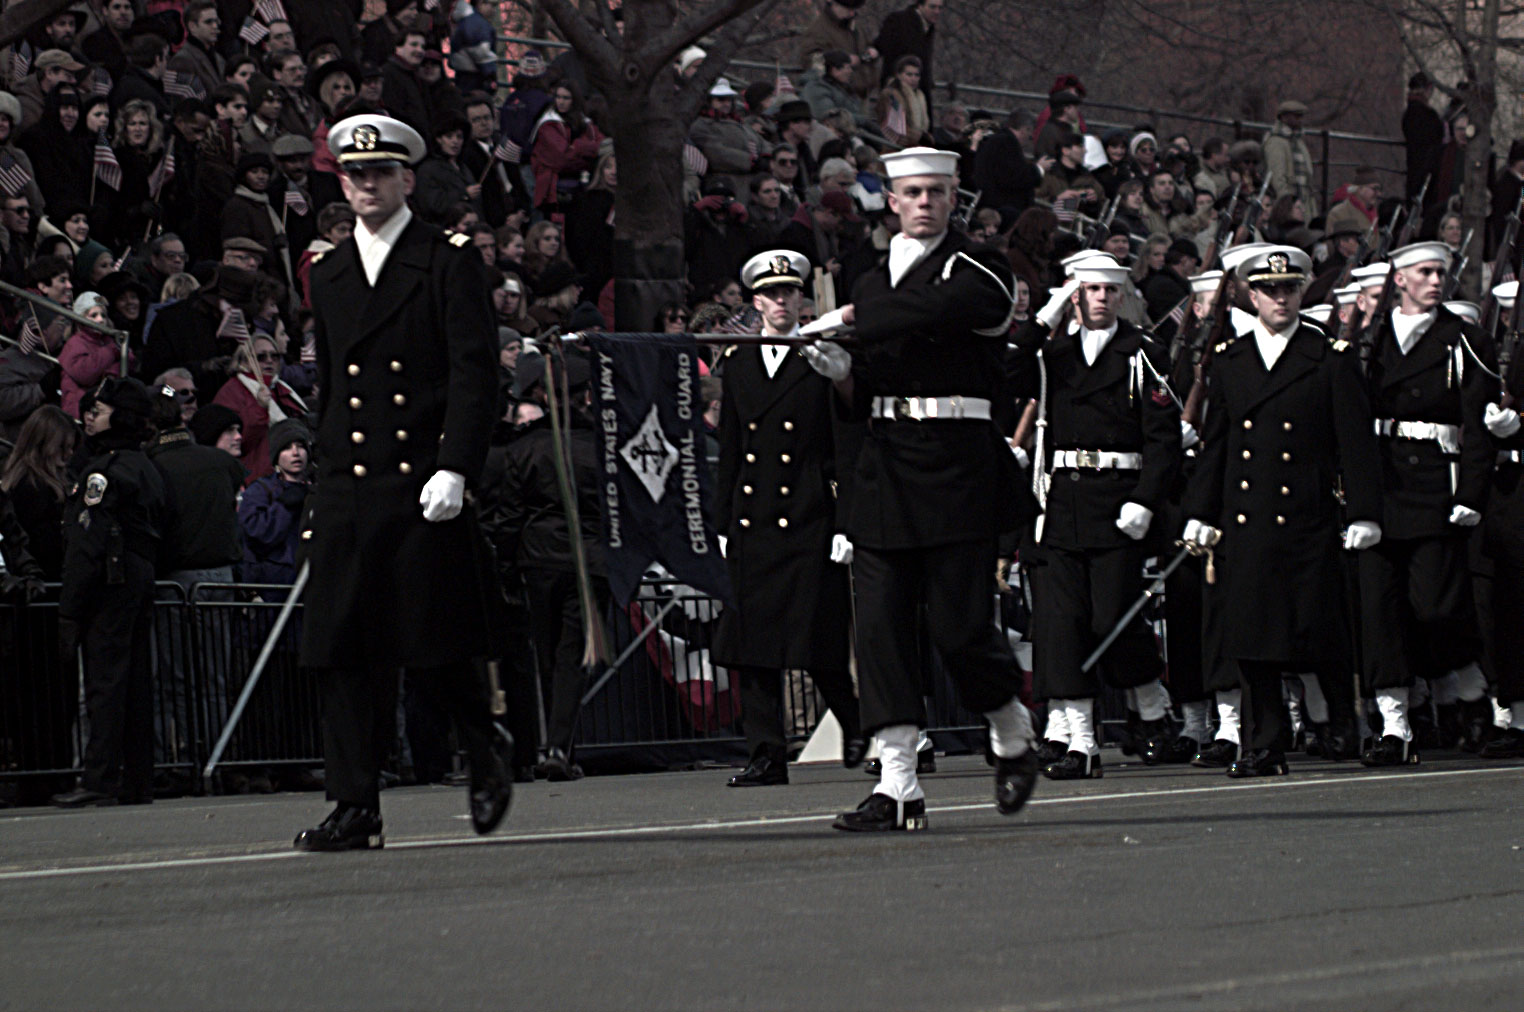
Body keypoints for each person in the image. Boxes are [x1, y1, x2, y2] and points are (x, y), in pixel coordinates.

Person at [799, 147, 1038, 831]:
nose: (926, 202)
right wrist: (841, 368)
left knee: (960, 629)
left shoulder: (979, 268)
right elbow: (862, 389)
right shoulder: (872, 282)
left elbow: (949, 308)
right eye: (912, 192)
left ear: (954, 196)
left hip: (956, 464)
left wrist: (848, 320)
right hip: (884, 468)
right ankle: (897, 781)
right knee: (878, 629)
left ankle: (1010, 726)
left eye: (937, 191)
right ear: (893, 201)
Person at [294, 113, 510, 851]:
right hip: (350, 484)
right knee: (344, 649)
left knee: (435, 643)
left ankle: (484, 750)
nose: (366, 185)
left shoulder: (446, 260)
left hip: (421, 478)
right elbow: (331, 385)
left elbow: (473, 374)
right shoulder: (326, 271)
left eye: (379, 173)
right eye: (354, 175)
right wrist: (321, 477)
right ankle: (354, 803)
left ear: (407, 178)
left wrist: (456, 465)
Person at [1180, 246, 1382, 777]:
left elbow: (1354, 443)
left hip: (1308, 517)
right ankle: (1264, 745)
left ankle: (1341, 720)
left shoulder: (1330, 356)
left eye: (1290, 288)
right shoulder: (1230, 361)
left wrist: (1364, 513)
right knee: (1252, 636)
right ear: (1252, 296)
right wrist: (1200, 511)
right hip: (1246, 517)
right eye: (1270, 290)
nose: (1281, 298)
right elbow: (1217, 444)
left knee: (1320, 629)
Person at [1012, 255, 1182, 779]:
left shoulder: (1143, 352)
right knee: (1062, 626)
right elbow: (1009, 369)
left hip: (1118, 496)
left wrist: (1147, 498)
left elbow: (1164, 435)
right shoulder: (1052, 353)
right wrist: (1046, 314)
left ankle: (1152, 704)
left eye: (1111, 289)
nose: (1102, 298)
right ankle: (1081, 742)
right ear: (1076, 295)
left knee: (1112, 618)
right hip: (1063, 499)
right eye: (1091, 290)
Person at [713, 250, 865, 787]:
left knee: (817, 643)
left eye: (789, 293)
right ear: (756, 303)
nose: (781, 302)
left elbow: (844, 448)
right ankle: (766, 753)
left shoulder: (822, 357)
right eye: (771, 295)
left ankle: (859, 727)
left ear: (801, 300)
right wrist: (722, 522)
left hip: (806, 518)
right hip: (754, 519)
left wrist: (846, 522)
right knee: (751, 648)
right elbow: (731, 447)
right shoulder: (738, 362)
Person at [1357, 241, 1497, 766]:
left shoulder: (1465, 340)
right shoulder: (1369, 340)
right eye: (1425, 272)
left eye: (1441, 273)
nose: (1436, 281)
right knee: (1381, 612)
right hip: (1380, 485)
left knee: (1435, 606)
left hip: (1436, 484)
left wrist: (1470, 494)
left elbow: (1479, 428)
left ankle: (1468, 682)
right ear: (1399, 279)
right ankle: (1395, 725)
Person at [51, 378, 169, 808]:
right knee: (135, 681)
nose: (88, 417)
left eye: (97, 411)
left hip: (109, 582)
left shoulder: (103, 471)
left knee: (106, 682)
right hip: (140, 576)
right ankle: (138, 779)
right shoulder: (146, 465)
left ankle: (99, 777)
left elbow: (88, 544)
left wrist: (69, 609)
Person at [239, 417, 313, 585]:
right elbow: (257, 534)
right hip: (274, 581)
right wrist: (284, 506)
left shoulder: (318, 489)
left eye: (300, 446)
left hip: (313, 578)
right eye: (287, 448)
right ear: (276, 455)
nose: (295, 453)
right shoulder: (260, 490)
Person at [1262, 99, 1318, 219]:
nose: (1300, 120)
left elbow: (1307, 178)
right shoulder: (1276, 142)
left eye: (1301, 116)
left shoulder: (1299, 142)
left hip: (1303, 203)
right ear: (1284, 117)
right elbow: (1277, 178)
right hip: (1288, 206)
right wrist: (1287, 205)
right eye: (1296, 116)